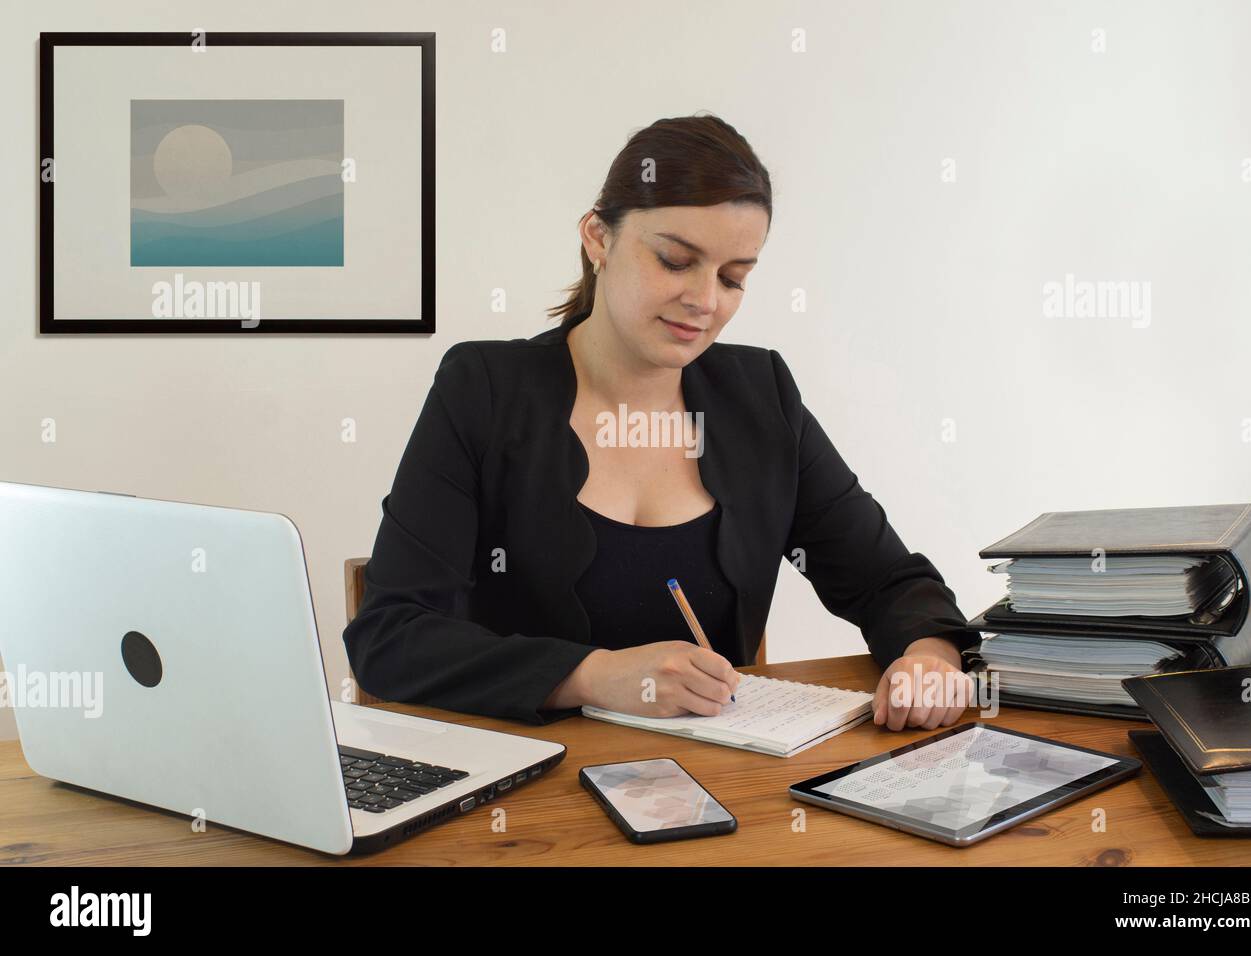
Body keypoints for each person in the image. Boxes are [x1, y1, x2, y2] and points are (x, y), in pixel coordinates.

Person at [343, 113, 978, 732]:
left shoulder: (761, 397)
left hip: (718, 789)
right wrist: (592, 676)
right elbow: (390, 636)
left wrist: (928, 657)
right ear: (599, 238)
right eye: (676, 260)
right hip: (526, 800)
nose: (705, 300)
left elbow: (890, 582)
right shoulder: (483, 390)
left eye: (733, 278)